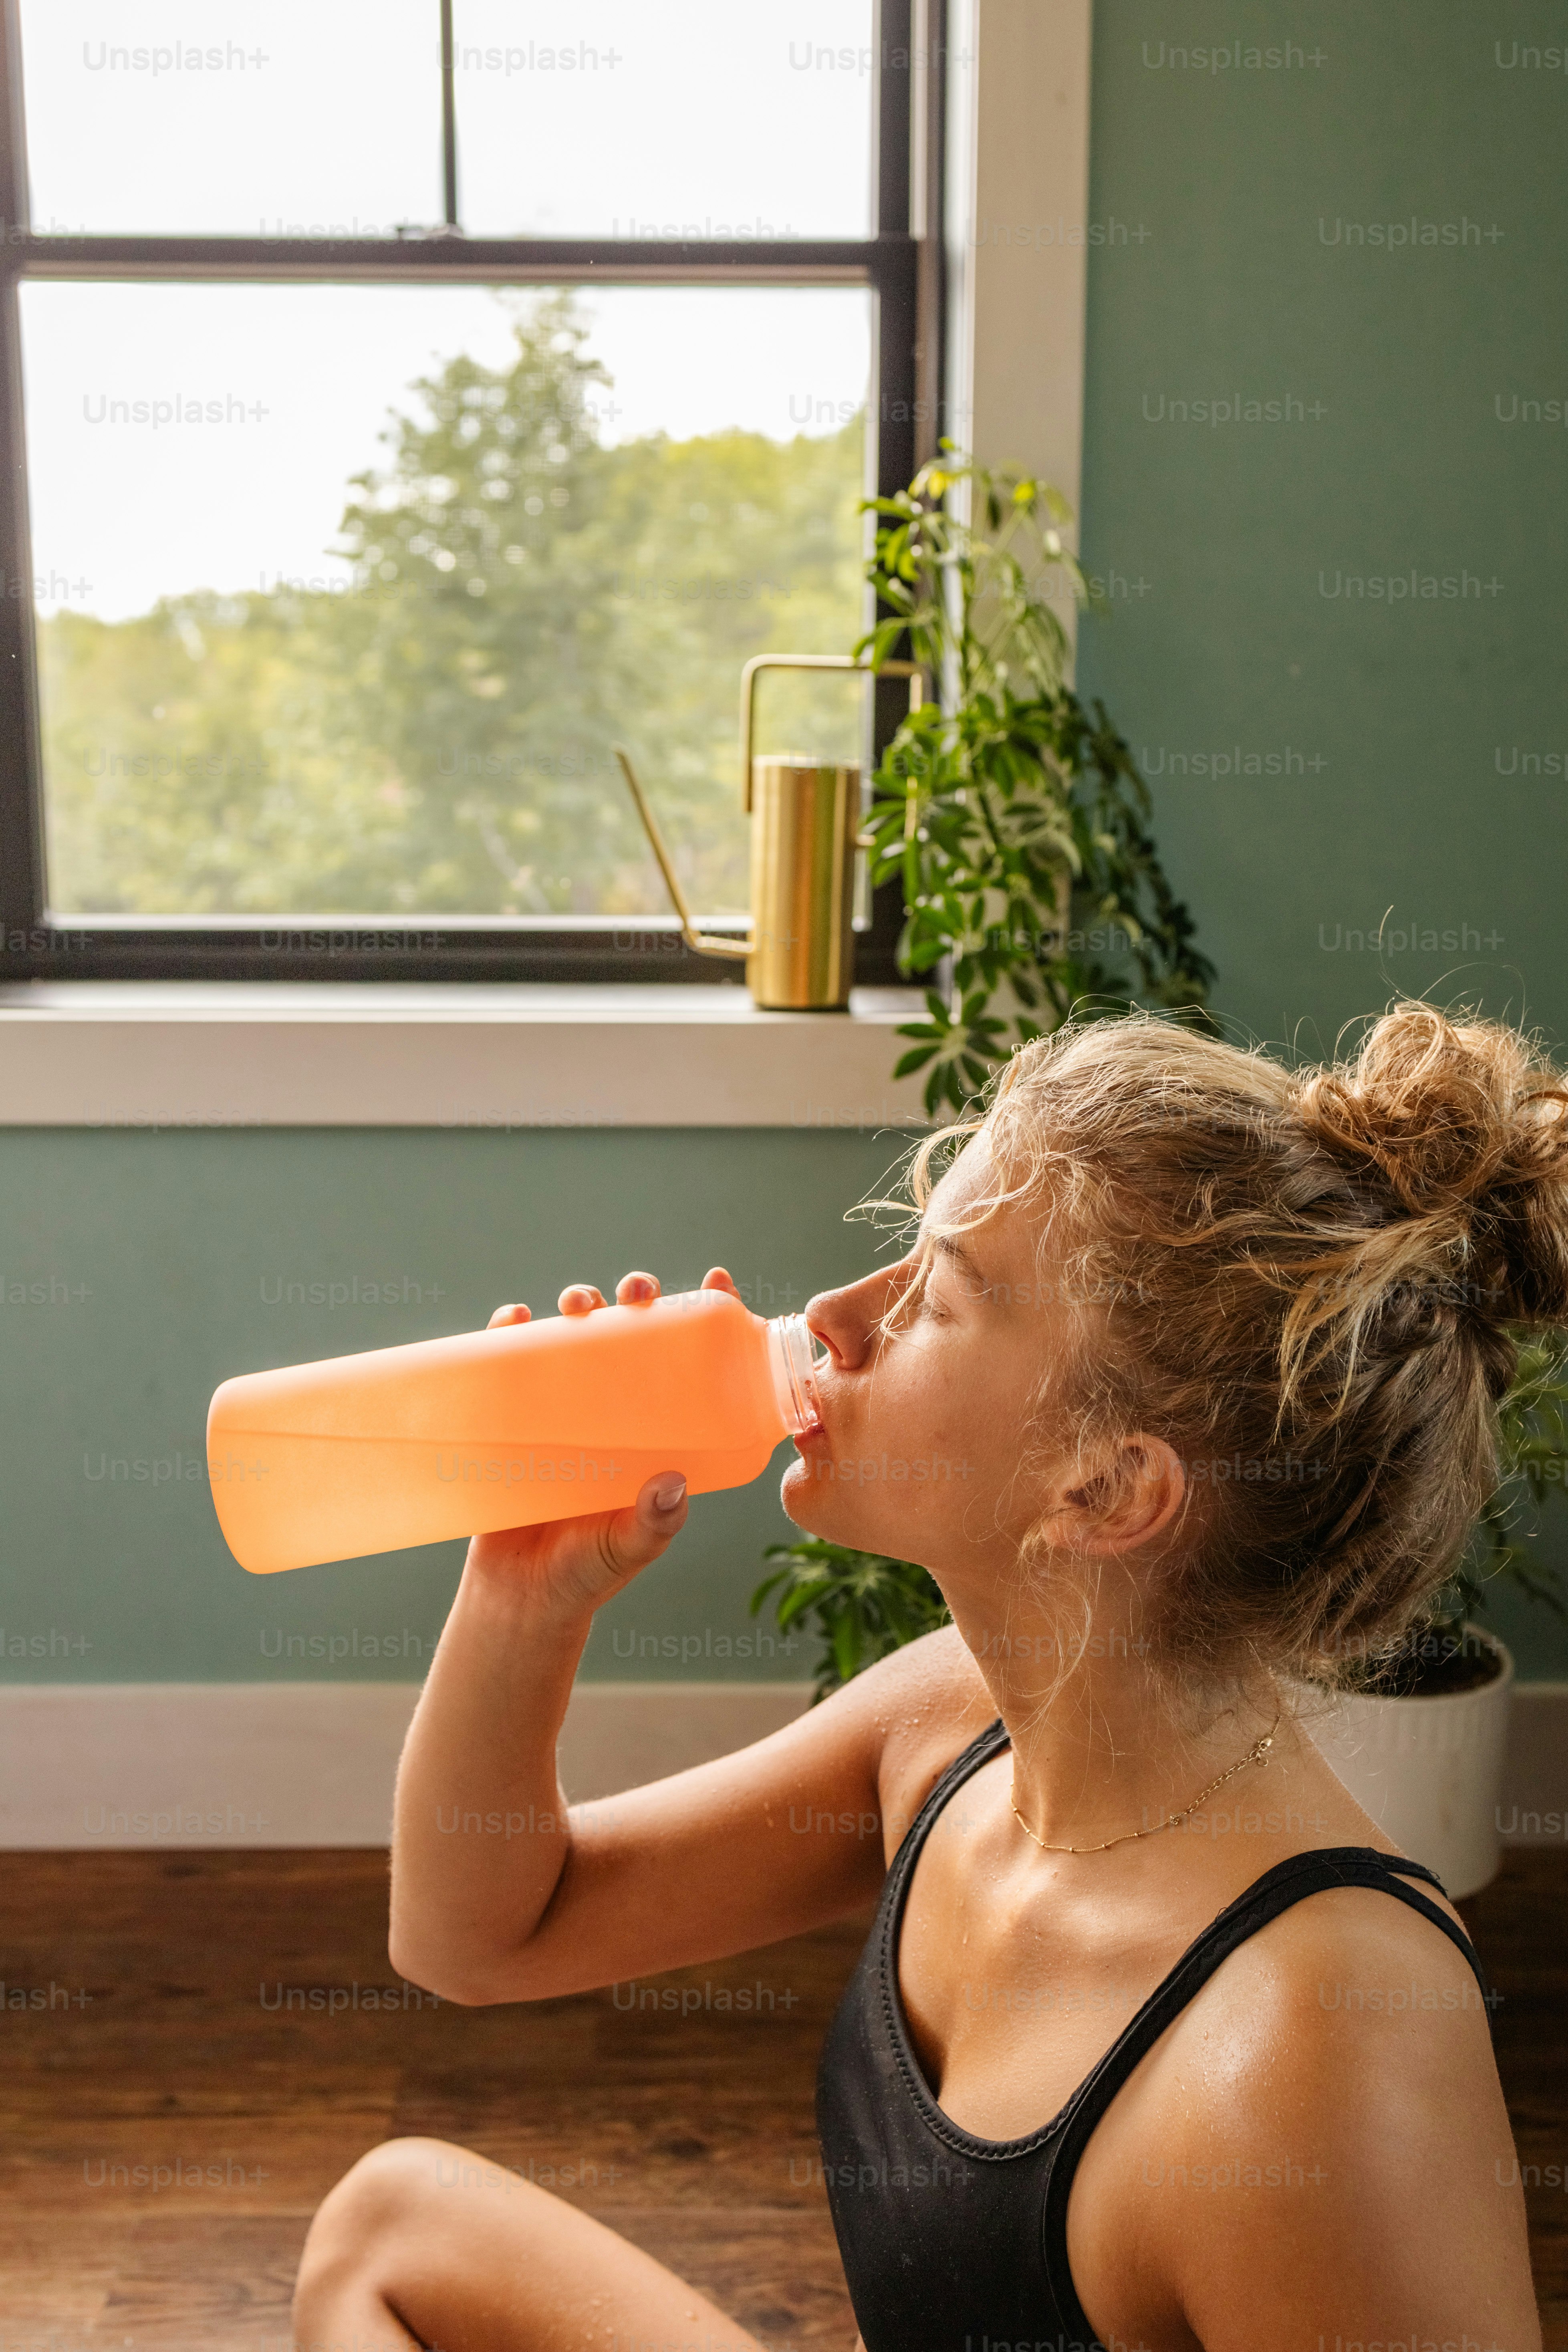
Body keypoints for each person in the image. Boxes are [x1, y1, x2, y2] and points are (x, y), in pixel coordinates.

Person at [293, 1002, 1545, 2352]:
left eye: (937, 1296)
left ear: (1109, 1487)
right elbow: (478, 1936)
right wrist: (523, 1594)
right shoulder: (952, 1723)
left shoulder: (1315, 2051)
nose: (832, 1317)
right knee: (393, 2223)